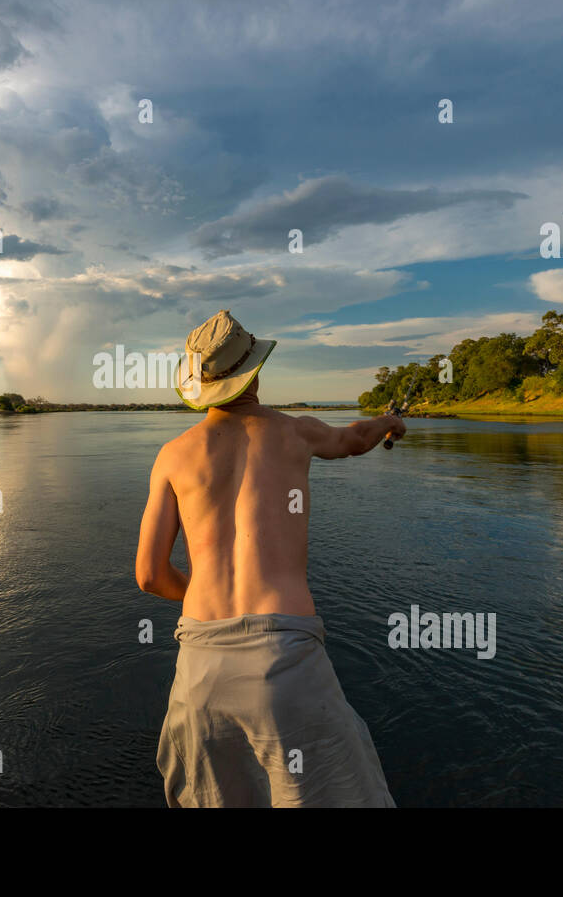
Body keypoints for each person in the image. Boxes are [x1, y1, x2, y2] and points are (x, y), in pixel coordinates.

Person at [136, 309, 403, 807]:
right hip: (286, 666)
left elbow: (149, 575)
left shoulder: (172, 455)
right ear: (255, 370)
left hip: (200, 675)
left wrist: (201, 595)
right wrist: (389, 422)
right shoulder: (295, 433)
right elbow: (353, 439)